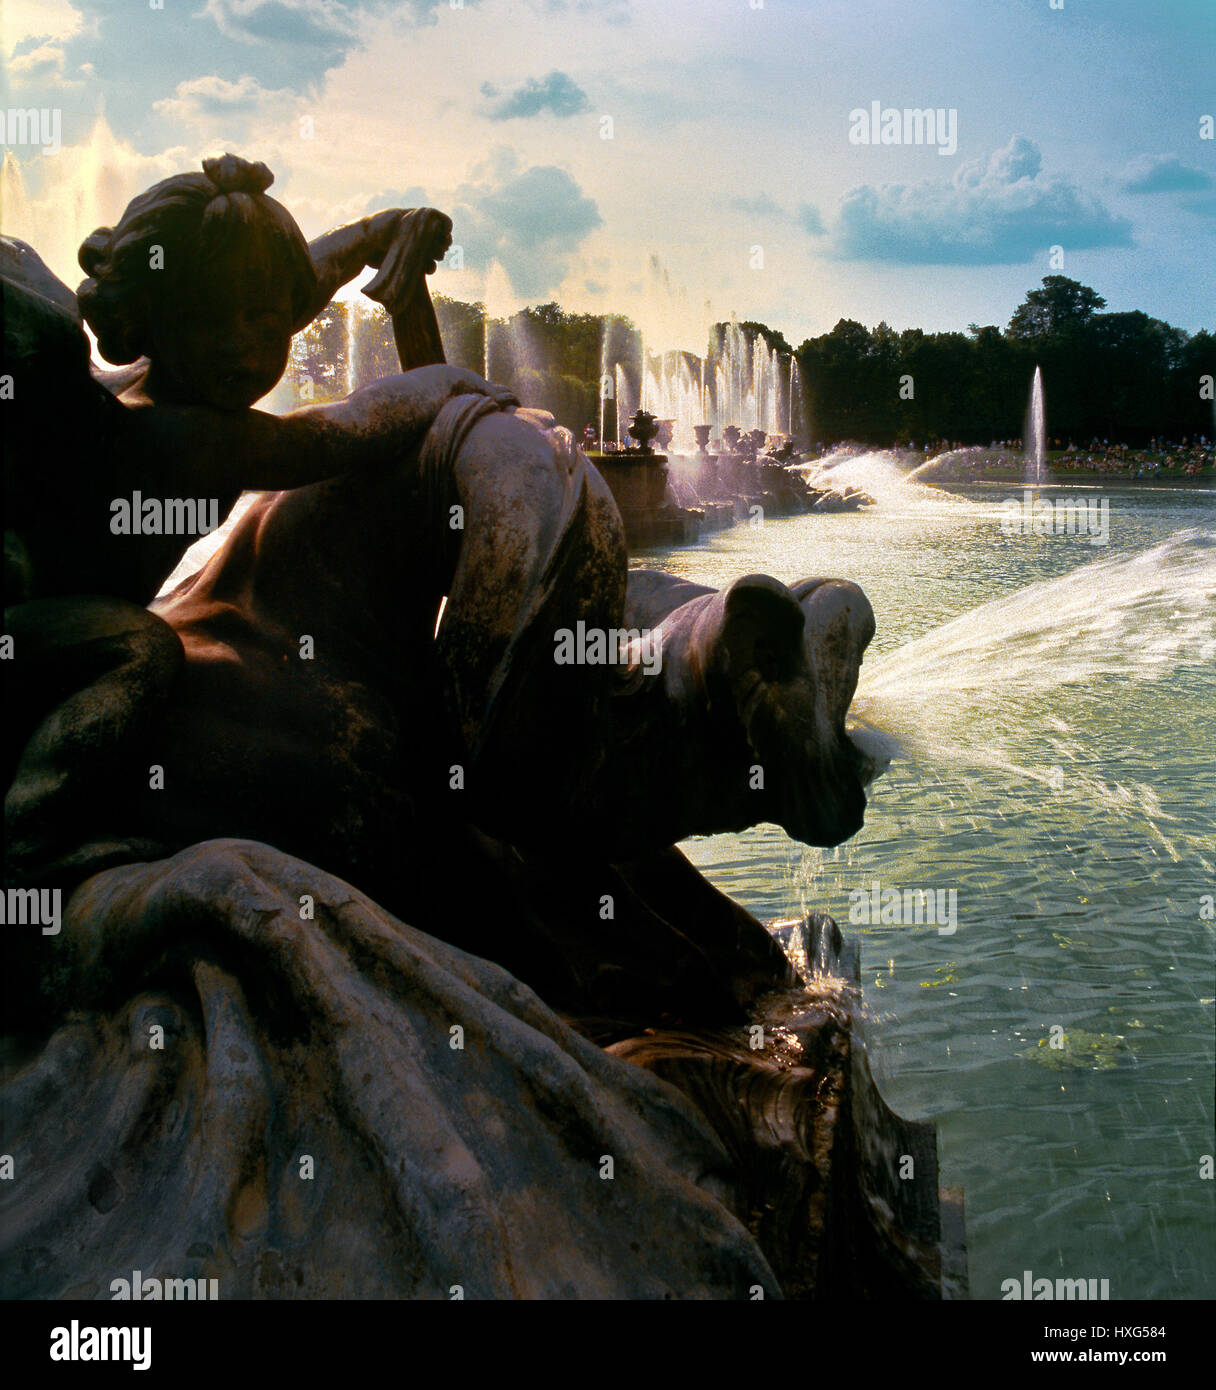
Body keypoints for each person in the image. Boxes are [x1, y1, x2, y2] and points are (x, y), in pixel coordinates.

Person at [3, 154, 514, 883]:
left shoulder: (166, 379)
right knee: (140, 651)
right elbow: (345, 432)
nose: (245, 346)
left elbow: (293, 287)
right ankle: (31, 837)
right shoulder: (188, 437)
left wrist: (377, 234)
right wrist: (448, 382)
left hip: (37, 614)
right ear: (154, 317)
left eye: (265, 322)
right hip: (33, 635)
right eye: (214, 321)